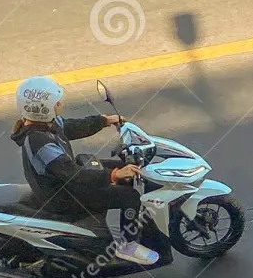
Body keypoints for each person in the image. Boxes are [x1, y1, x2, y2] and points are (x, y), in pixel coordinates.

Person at [10, 76, 159, 267]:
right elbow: (73, 175)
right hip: (63, 197)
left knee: (120, 169)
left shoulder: (44, 125)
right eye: (57, 103)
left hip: (61, 181)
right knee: (130, 197)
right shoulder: (40, 142)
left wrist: (104, 121)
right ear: (43, 109)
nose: (61, 104)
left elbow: (72, 127)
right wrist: (113, 175)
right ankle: (127, 246)